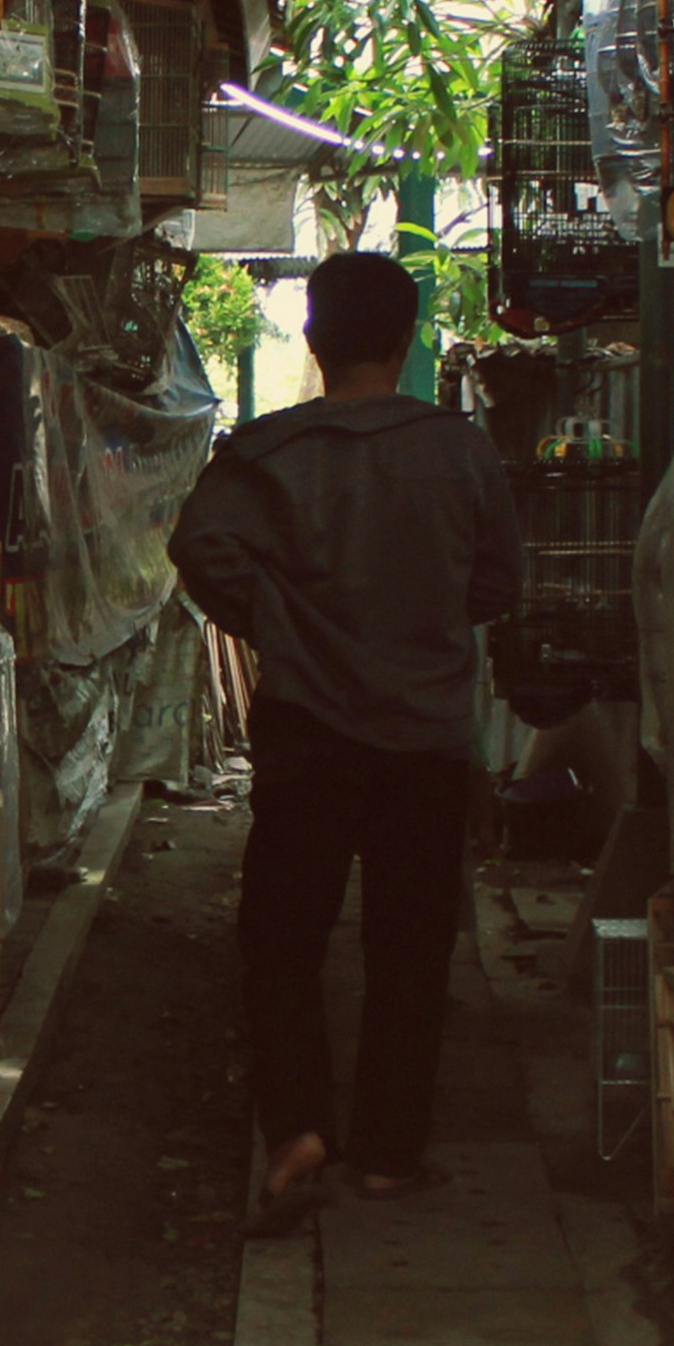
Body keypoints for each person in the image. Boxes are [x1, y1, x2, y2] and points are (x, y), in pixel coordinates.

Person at [168, 251, 521, 1219]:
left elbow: (199, 548)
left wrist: (280, 622)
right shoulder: (461, 451)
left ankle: (299, 1130)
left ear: (315, 340)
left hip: (309, 733)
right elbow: (499, 585)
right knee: (412, 950)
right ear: (405, 341)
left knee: (282, 940)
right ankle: (390, 1154)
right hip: (426, 741)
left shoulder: (268, 453)